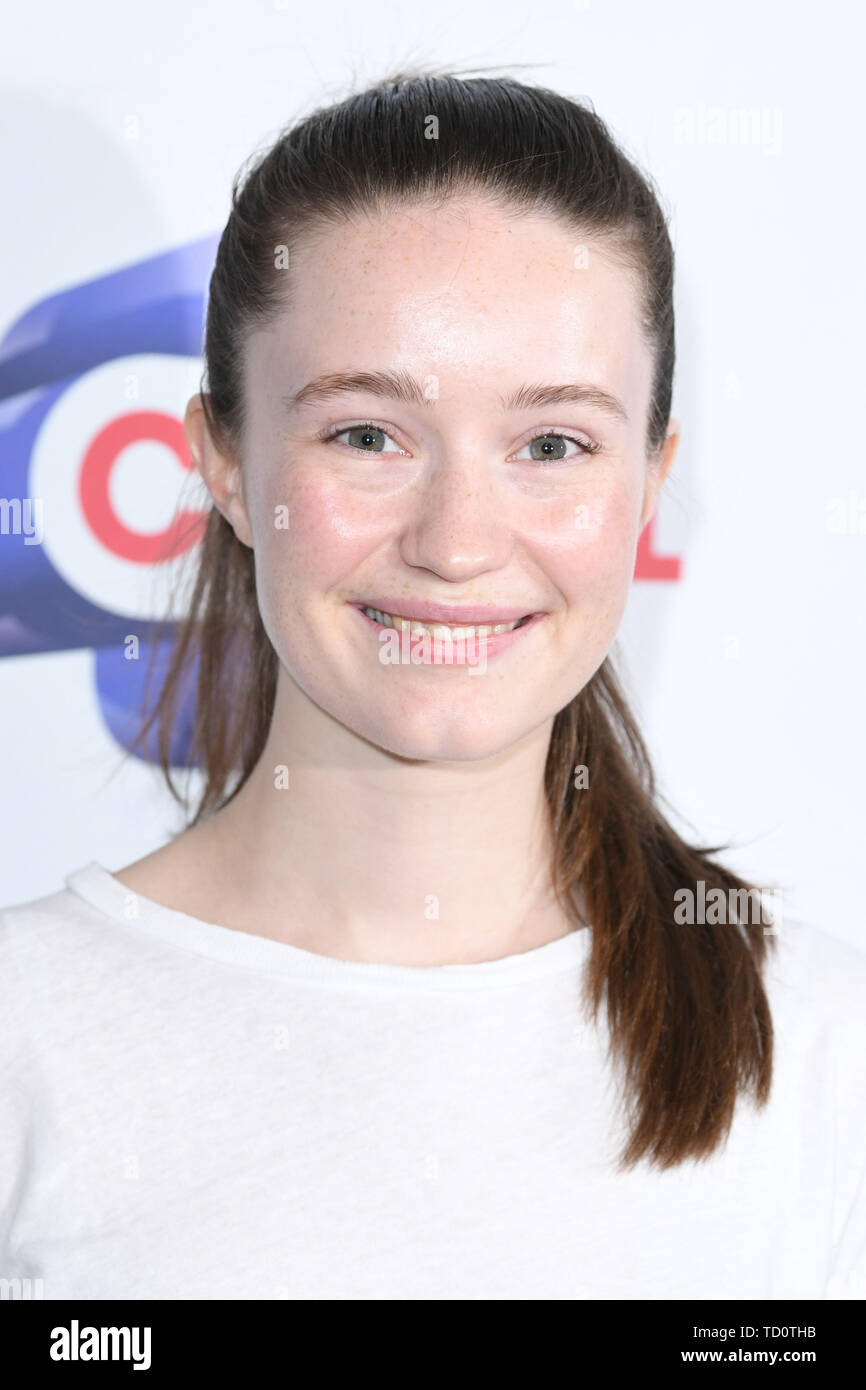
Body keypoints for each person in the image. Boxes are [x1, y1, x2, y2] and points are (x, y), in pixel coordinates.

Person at [1, 70, 864, 1302]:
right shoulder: (24, 1042)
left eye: (551, 444)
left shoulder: (826, 1057)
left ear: (647, 484)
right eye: (366, 433)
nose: (455, 542)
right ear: (226, 464)